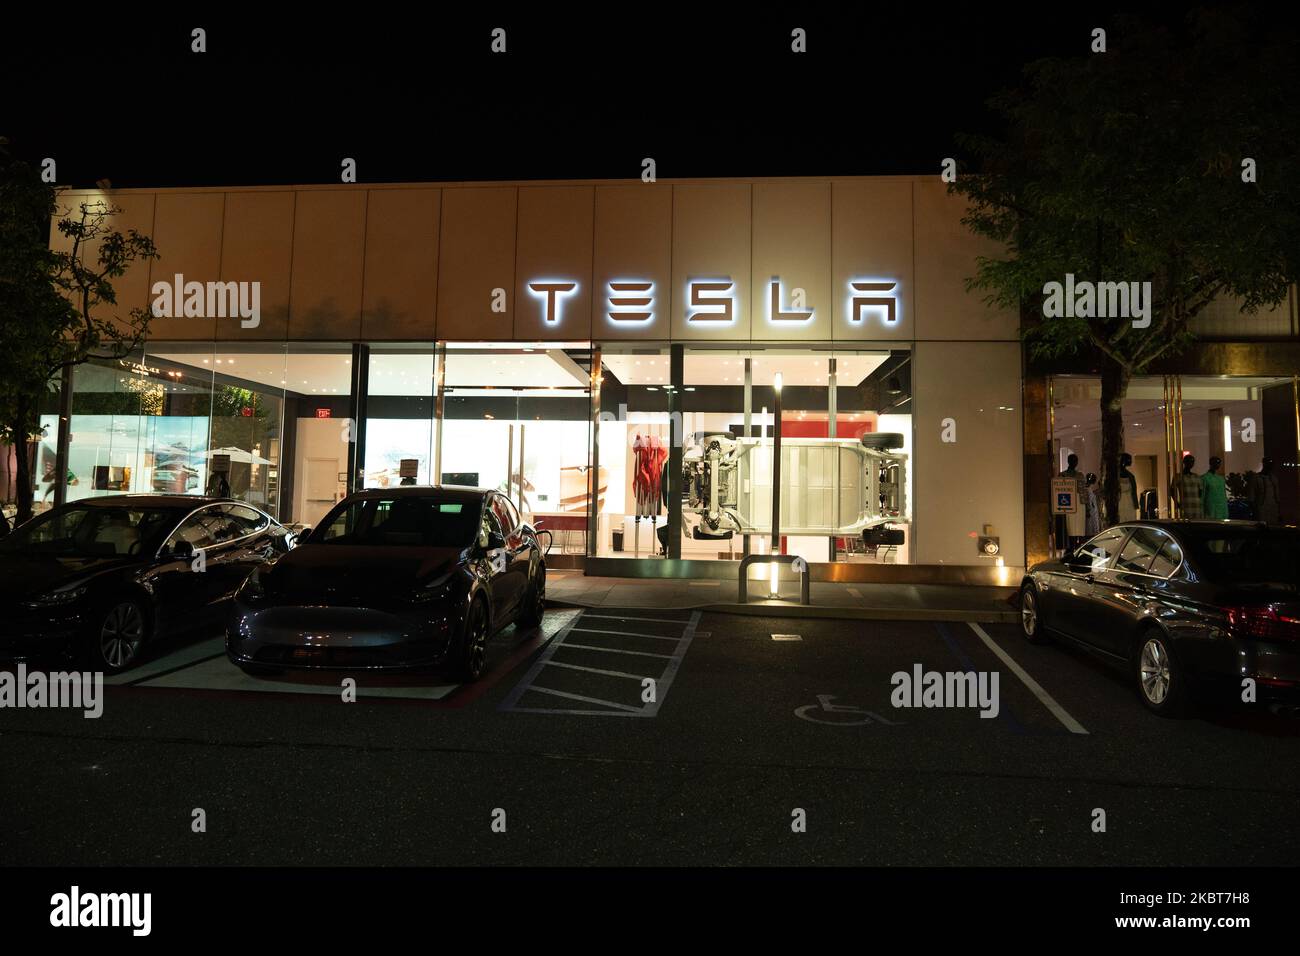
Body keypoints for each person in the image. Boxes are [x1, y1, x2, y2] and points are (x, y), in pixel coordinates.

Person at [1058, 454, 1088, 550]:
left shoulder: (1080, 475)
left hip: (1080, 503)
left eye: (1076, 460)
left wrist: (1087, 507)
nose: (1074, 463)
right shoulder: (1062, 475)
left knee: (1079, 527)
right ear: (1068, 461)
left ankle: (1078, 547)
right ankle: (1070, 547)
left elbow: (1084, 491)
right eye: (1072, 460)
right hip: (1068, 502)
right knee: (1070, 526)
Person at [1250, 457, 1281, 525]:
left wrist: (1278, 511)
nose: (1270, 466)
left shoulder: (1274, 478)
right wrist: (1254, 511)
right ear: (1264, 464)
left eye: (1271, 464)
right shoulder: (1256, 478)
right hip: (1261, 508)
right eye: (1268, 464)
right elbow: (1252, 496)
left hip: (1273, 508)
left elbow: (1277, 496)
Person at [1170, 454, 1203, 519]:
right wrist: (1177, 503)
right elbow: (1172, 490)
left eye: (1192, 462)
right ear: (1184, 462)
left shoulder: (1197, 477)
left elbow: (1200, 492)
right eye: (1189, 461)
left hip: (1197, 507)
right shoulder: (1178, 476)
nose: (1191, 463)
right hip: (1186, 506)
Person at [1118, 453, 1140, 522]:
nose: (1131, 461)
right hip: (1120, 502)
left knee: (1129, 520)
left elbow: (1134, 491)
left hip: (1129, 502)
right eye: (1129, 460)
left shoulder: (1130, 476)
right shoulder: (1115, 476)